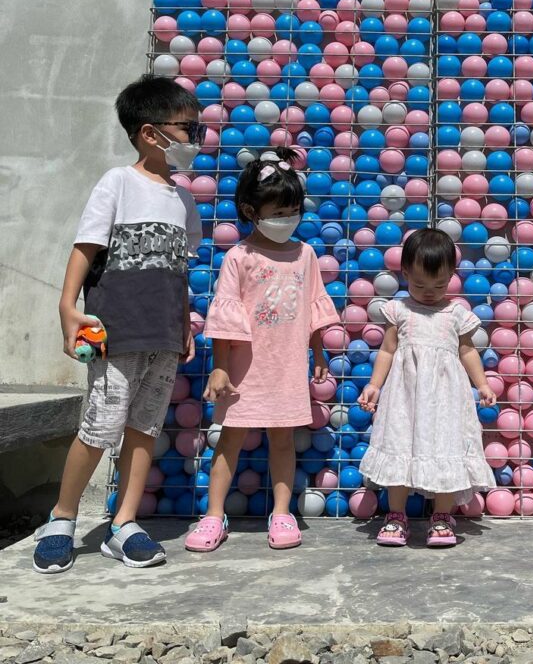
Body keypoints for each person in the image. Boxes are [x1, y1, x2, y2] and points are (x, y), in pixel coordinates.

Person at [34, 75, 204, 573]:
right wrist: (68, 307)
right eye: (187, 128)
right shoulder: (117, 182)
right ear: (151, 133)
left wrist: (184, 322)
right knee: (98, 427)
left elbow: (180, 268)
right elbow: (86, 247)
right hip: (116, 333)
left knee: (144, 429)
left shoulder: (184, 199)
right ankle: (62, 518)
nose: (195, 138)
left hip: (164, 337)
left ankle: (124, 524)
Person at [184, 150, 339, 552]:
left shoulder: (305, 256)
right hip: (243, 370)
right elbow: (224, 316)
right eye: (279, 211)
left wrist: (318, 353)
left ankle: (283, 512)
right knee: (229, 441)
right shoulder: (239, 257)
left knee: (283, 441)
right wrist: (219, 369)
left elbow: (314, 307)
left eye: (294, 210)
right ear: (252, 210)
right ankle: (213, 515)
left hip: (287, 366)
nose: (288, 218)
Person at [358, 228, 497, 548]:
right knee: (400, 445)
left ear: (452, 275)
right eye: (420, 284)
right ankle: (396, 515)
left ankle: (442, 516)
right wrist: (374, 385)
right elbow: (388, 351)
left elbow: (467, 351)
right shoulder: (399, 310)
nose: (430, 292)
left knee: (445, 449)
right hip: (404, 398)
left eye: (439, 284)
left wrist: (483, 384)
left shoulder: (456, 315)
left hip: (446, 399)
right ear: (405, 273)